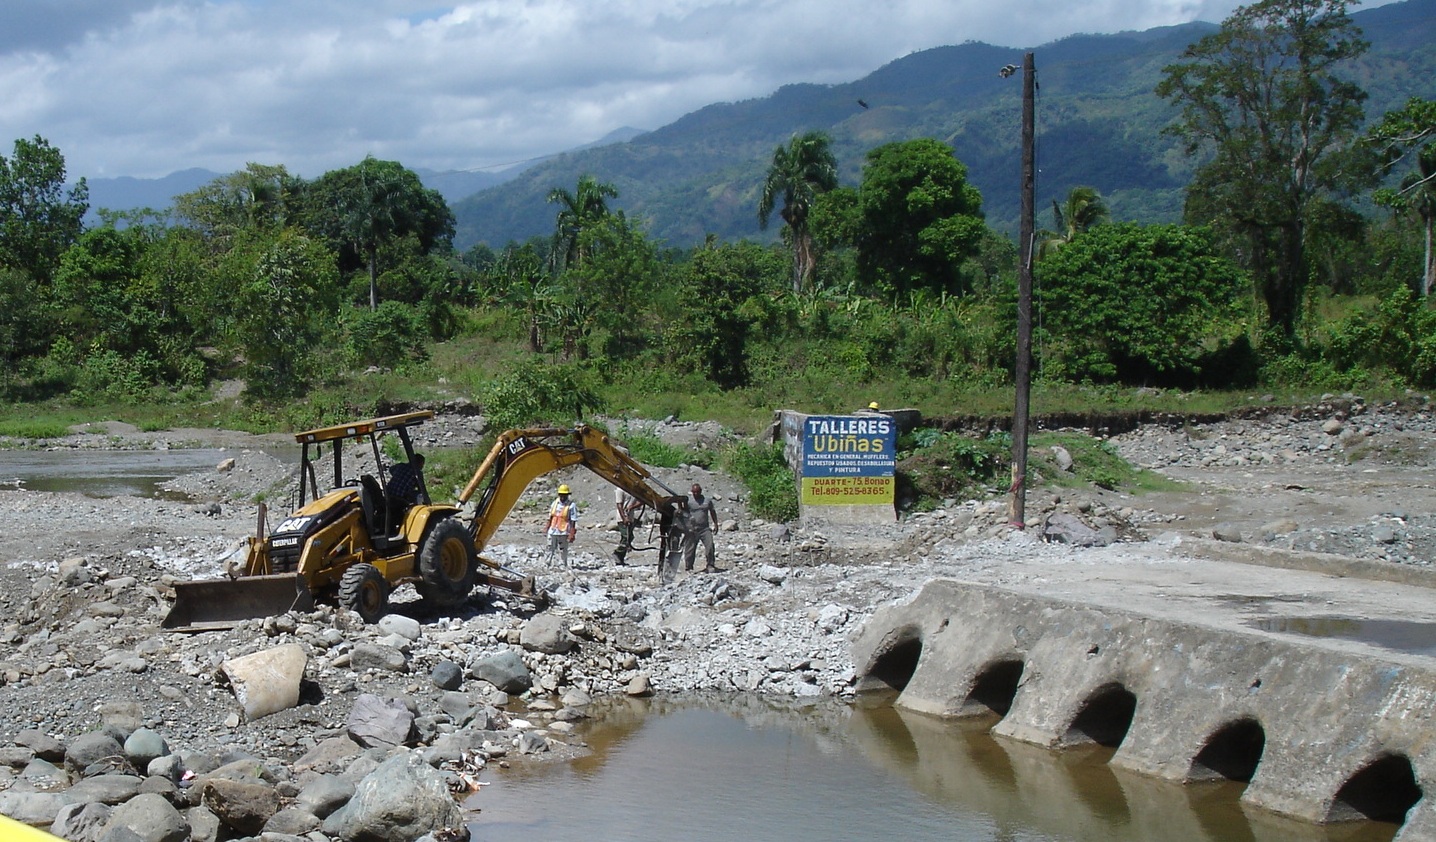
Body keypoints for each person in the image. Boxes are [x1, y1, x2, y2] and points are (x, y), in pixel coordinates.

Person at [682, 482, 720, 573]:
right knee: (690, 549)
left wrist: (715, 524)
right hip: (692, 529)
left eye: (697, 492)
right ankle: (689, 567)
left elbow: (712, 511)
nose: (696, 494)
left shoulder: (707, 500)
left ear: (700, 491)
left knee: (710, 545)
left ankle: (710, 565)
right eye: (694, 492)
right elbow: (684, 513)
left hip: (704, 528)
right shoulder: (688, 501)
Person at [546, 484, 579, 568]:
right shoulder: (555, 503)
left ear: (567, 495)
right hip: (553, 529)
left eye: (564, 495)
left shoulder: (571, 505)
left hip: (563, 531)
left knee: (563, 549)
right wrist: (547, 526)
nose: (562, 497)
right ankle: (547, 564)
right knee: (550, 547)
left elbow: (573, 520)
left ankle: (563, 565)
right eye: (561, 494)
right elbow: (551, 516)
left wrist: (572, 533)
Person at [613, 487, 643, 565]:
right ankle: (617, 553)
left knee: (627, 538)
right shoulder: (620, 490)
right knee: (627, 537)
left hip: (630, 517)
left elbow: (641, 501)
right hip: (622, 518)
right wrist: (624, 518)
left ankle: (620, 559)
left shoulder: (633, 490)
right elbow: (619, 505)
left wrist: (632, 507)